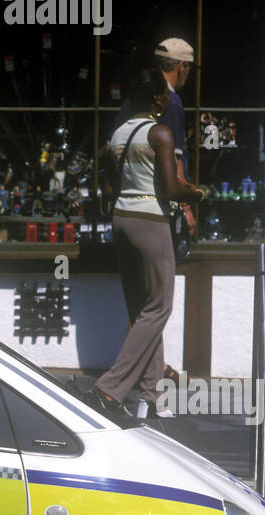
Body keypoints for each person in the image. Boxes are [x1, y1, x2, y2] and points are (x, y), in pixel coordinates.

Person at [92, 68, 203, 419]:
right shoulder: (160, 133)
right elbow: (172, 189)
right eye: (165, 93)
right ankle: (109, 389)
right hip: (151, 221)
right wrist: (197, 193)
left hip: (121, 221)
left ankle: (152, 396)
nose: (168, 97)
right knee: (159, 307)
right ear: (158, 97)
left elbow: (108, 186)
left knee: (141, 309)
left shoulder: (118, 135)